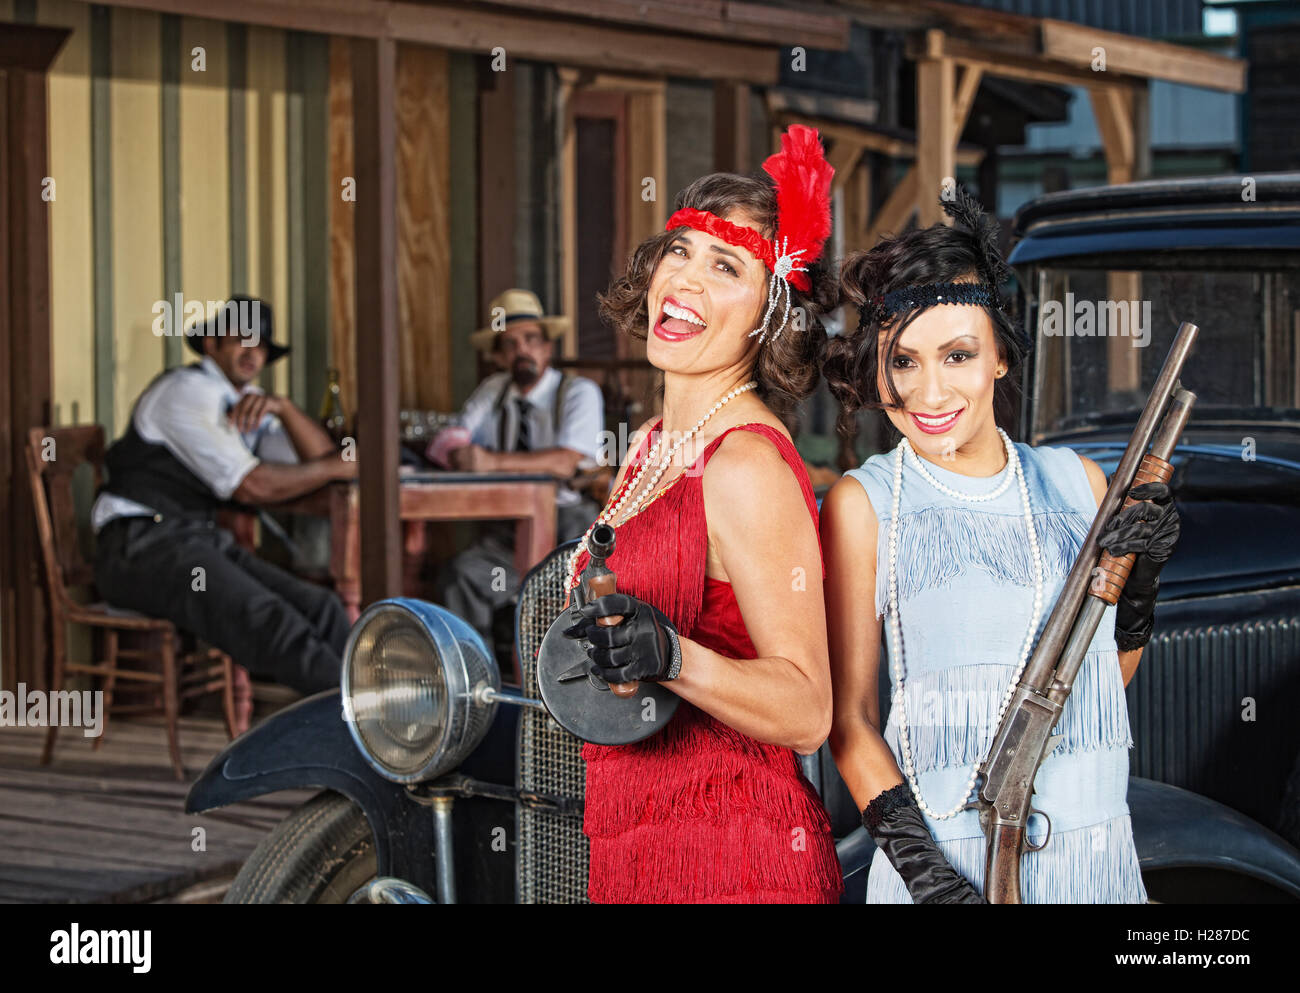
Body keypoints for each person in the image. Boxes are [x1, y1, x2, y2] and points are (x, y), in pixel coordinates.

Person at [819, 189, 1181, 903]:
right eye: (904, 361)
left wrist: (1138, 596)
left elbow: (1096, 683)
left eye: (958, 354)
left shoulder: (1077, 480)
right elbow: (849, 722)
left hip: (1094, 854)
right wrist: (927, 874)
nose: (929, 391)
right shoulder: (865, 502)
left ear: (1001, 359)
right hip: (946, 858)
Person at [559, 125, 843, 903]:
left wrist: (675, 656)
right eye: (678, 250)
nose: (684, 278)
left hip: (734, 856)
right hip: (634, 846)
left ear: (768, 313)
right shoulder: (650, 443)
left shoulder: (746, 463)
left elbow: (809, 708)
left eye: (725, 265)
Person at [93, 295, 357, 697]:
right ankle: (357, 722)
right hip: (137, 544)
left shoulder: (244, 401)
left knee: (321, 606)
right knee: (269, 619)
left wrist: (283, 409)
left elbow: (319, 457)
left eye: (262, 345)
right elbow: (252, 485)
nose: (253, 352)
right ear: (213, 343)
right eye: (241, 339)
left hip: (191, 539)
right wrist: (338, 467)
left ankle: (366, 711)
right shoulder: (188, 392)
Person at [428, 289, 604, 644]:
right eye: (509, 345)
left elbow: (563, 461)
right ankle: (476, 682)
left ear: (547, 347)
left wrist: (487, 461)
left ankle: (555, 686)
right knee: (461, 577)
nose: (522, 351)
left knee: (560, 592)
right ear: (497, 357)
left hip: (568, 530)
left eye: (531, 340)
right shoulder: (494, 390)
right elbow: (447, 440)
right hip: (510, 533)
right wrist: (457, 450)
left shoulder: (577, 391)